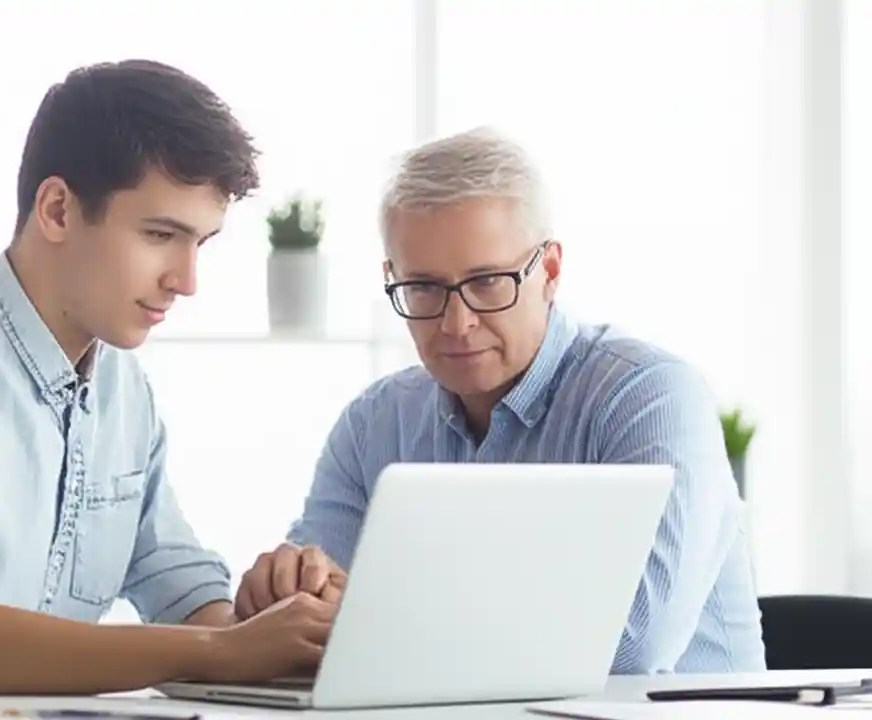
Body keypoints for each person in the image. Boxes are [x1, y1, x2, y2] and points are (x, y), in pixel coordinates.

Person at [0, 59, 337, 694]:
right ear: (57, 210)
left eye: (200, 244)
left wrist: (290, 624)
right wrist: (223, 648)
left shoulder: (124, 390)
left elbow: (182, 589)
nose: (185, 281)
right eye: (160, 234)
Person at [235, 127, 767, 675]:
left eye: (488, 281)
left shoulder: (651, 397)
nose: (456, 323)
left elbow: (632, 650)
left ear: (550, 272)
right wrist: (284, 591)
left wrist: (380, 629)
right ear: (392, 279)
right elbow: (304, 624)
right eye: (424, 288)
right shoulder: (376, 423)